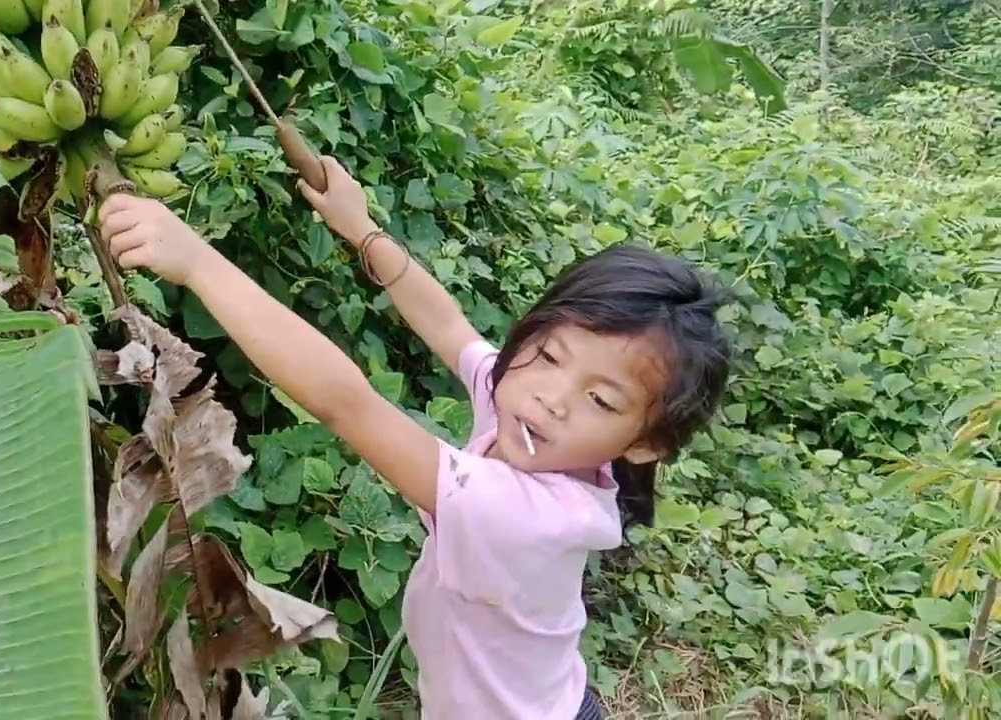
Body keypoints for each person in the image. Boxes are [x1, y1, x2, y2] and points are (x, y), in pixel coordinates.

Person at [97, 156, 734, 720]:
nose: (553, 395)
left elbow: (348, 405)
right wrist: (362, 229)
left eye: (600, 399)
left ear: (645, 444)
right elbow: (447, 323)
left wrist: (199, 264)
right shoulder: (528, 406)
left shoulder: (526, 513)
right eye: (549, 354)